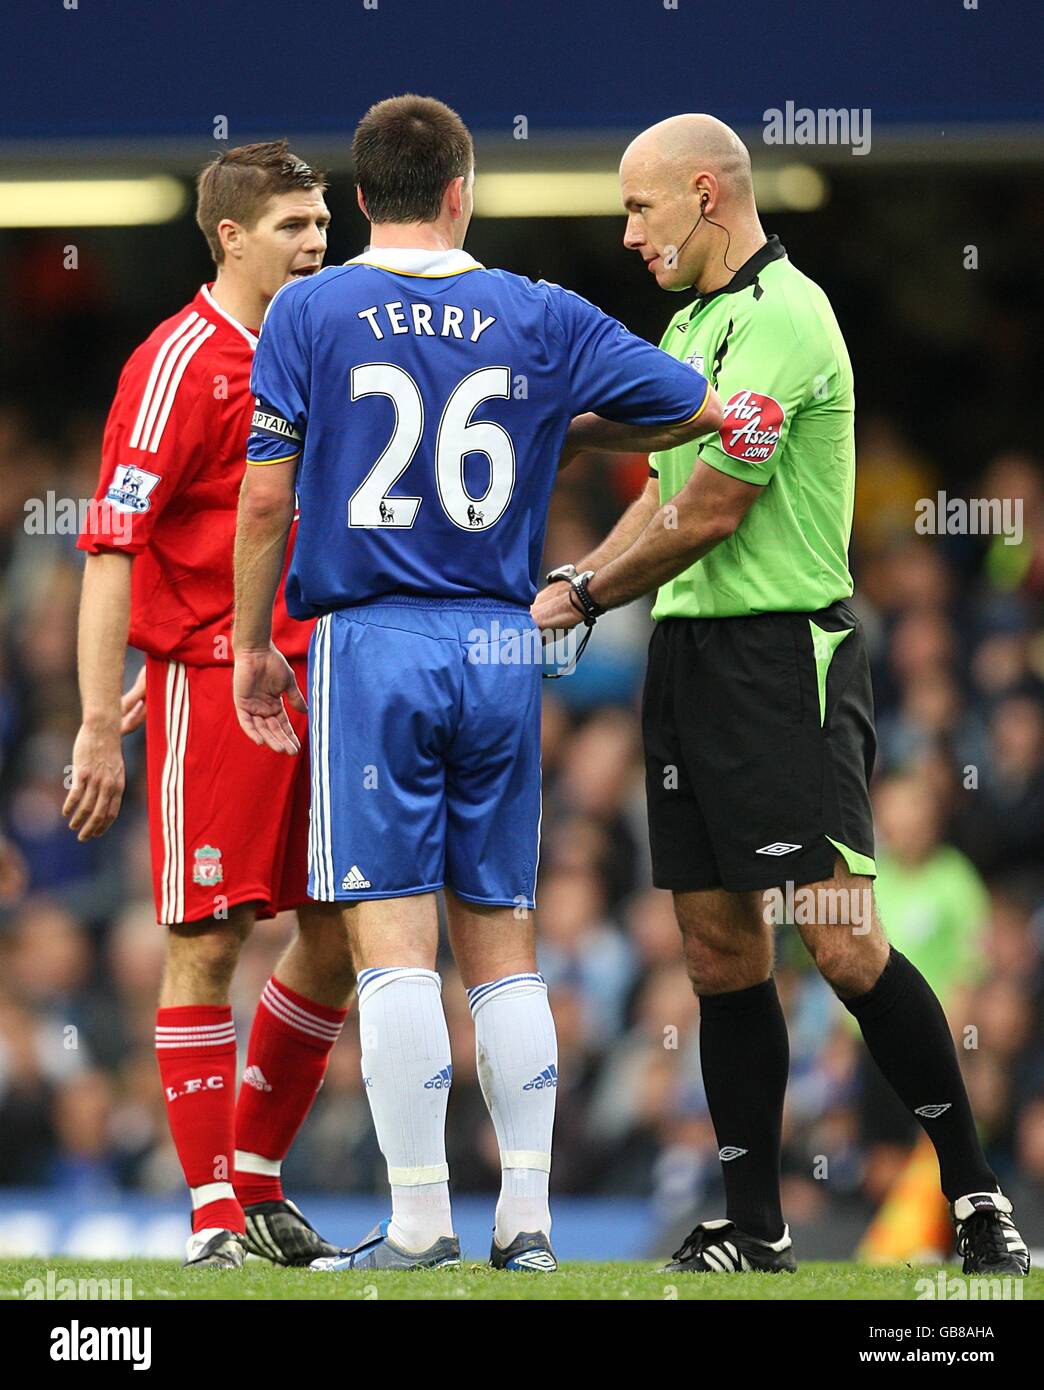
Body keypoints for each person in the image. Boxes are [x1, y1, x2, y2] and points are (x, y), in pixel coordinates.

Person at [231, 94, 723, 1273]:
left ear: (360, 198)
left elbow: (262, 495)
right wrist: (545, 417)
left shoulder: (309, 306)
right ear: (463, 191)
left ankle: (417, 1221)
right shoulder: (540, 312)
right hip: (503, 641)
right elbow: (693, 409)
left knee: (391, 936)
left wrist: (253, 643)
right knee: (502, 936)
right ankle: (531, 1221)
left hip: (375, 637)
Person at [532, 113, 1029, 1277]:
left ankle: (976, 1200)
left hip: (781, 660)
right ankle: (755, 1228)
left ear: (706, 194)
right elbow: (659, 488)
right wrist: (561, 454)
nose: (627, 232)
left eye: (640, 208)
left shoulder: (787, 318)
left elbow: (711, 507)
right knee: (716, 953)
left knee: (842, 940)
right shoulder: (691, 324)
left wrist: (583, 593)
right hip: (691, 660)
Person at [64, 141, 356, 1269]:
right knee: (208, 937)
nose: (317, 241)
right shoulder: (179, 362)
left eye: (323, 222)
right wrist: (100, 718)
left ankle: (259, 1182)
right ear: (229, 236)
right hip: (214, 686)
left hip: (321, 674)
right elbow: (110, 547)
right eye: (293, 225)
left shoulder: (317, 342)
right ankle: (210, 1219)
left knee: (334, 933)